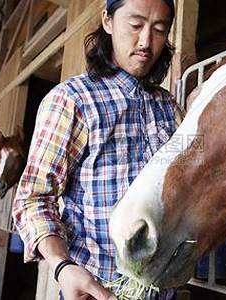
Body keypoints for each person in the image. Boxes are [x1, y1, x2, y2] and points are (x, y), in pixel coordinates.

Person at [12, 0, 183, 299]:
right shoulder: (72, 100)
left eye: (159, 29)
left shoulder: (169, 107)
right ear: (107, 21)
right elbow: (33, 199)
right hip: (95, 291)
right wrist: (62, 266)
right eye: (135, 25)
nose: (146, 41)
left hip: (161, 292)